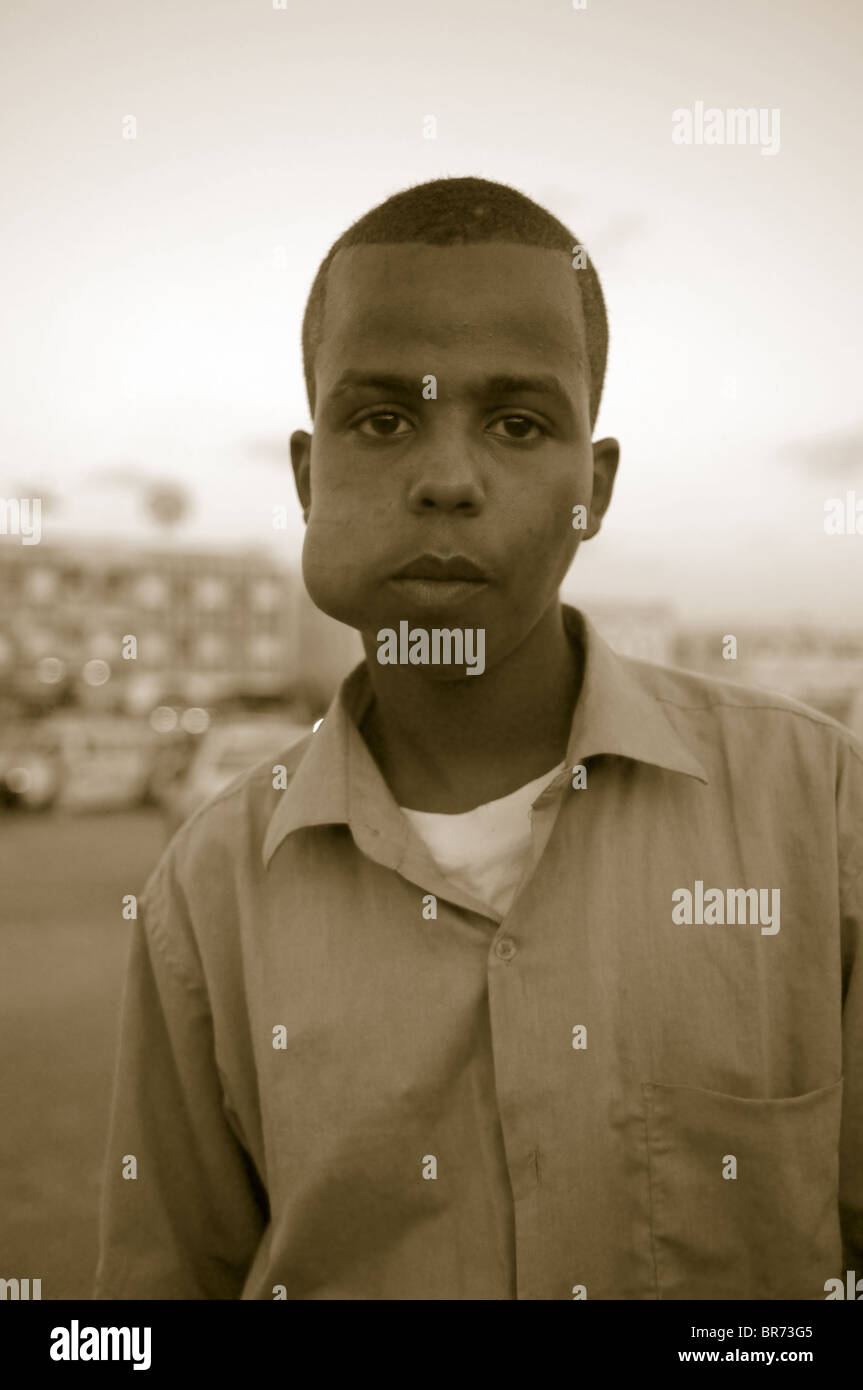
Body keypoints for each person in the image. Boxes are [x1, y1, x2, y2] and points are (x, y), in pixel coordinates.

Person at [94, 177, 863, 1300]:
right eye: (382, 419)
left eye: (516, 423)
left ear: (588, 490)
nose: (446, 480)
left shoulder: (817, 808)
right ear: (309, 479)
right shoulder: (205, 893)